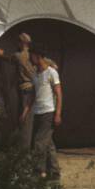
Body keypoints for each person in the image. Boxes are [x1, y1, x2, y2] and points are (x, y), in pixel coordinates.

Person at [25, 45, 62, 180]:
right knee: (48, 144)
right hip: (37, 112)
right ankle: (55, 172)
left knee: (39, 143)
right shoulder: (35, 74)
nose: (30, 59)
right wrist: (25, 112)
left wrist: (58, 113)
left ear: (38, 56)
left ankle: (38, 171)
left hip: (48, 112)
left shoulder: (52, 73)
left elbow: (59, 94)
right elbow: (33, 95)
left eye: (31, 56)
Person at [0, 31, 36, 148]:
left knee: (25, 120)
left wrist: (1, 55)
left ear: (22, 43)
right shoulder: (33, 55)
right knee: (28, 120)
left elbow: (8, 58)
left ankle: (23, 150)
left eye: (18, 41)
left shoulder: (19, 56)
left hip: (26, 91)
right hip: (32, 90)